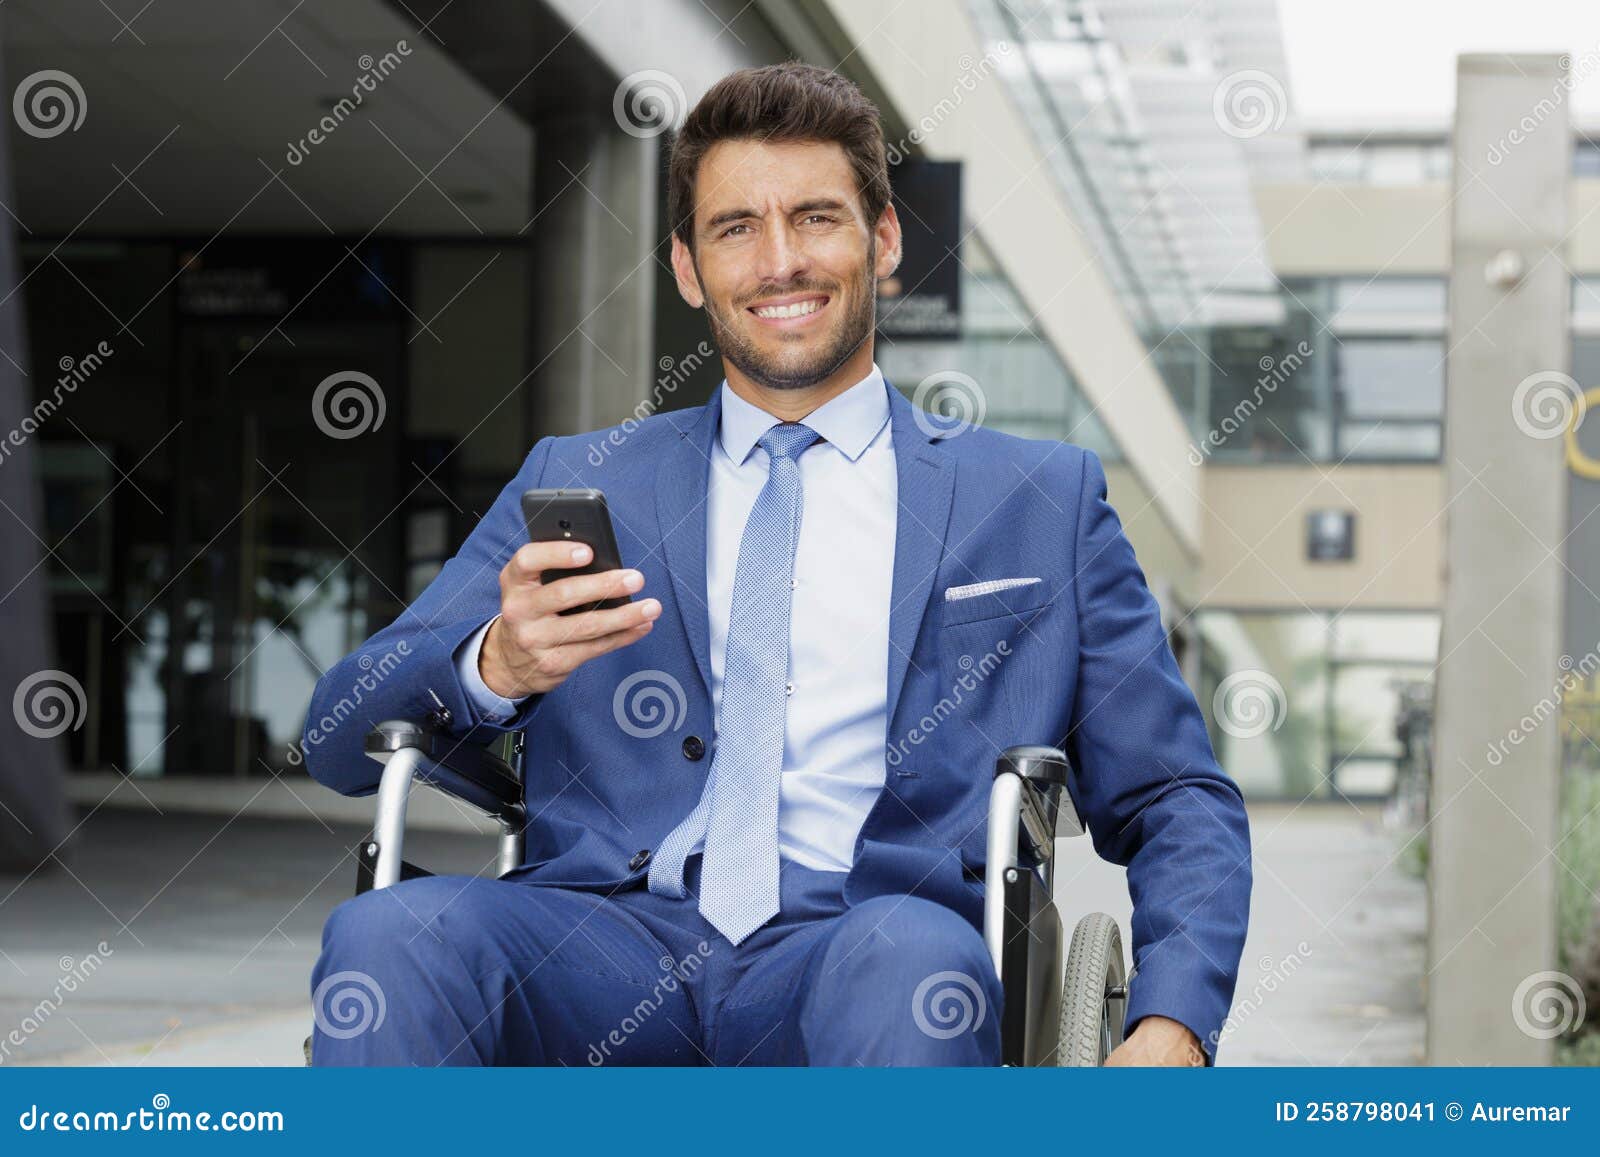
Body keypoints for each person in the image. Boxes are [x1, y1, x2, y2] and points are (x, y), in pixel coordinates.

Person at [303, 62, 1250, 1067]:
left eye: (815, 218)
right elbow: (336, 735)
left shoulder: (1037, 501)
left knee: (911, 962)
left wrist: (1171, 1023)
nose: (780, 262)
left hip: (864, 942)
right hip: (599, 944)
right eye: (735, 228)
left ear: (882, 241)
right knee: (388, 936)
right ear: (685, 266)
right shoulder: (583, 479)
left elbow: (1176, 793)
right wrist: (491, 665)